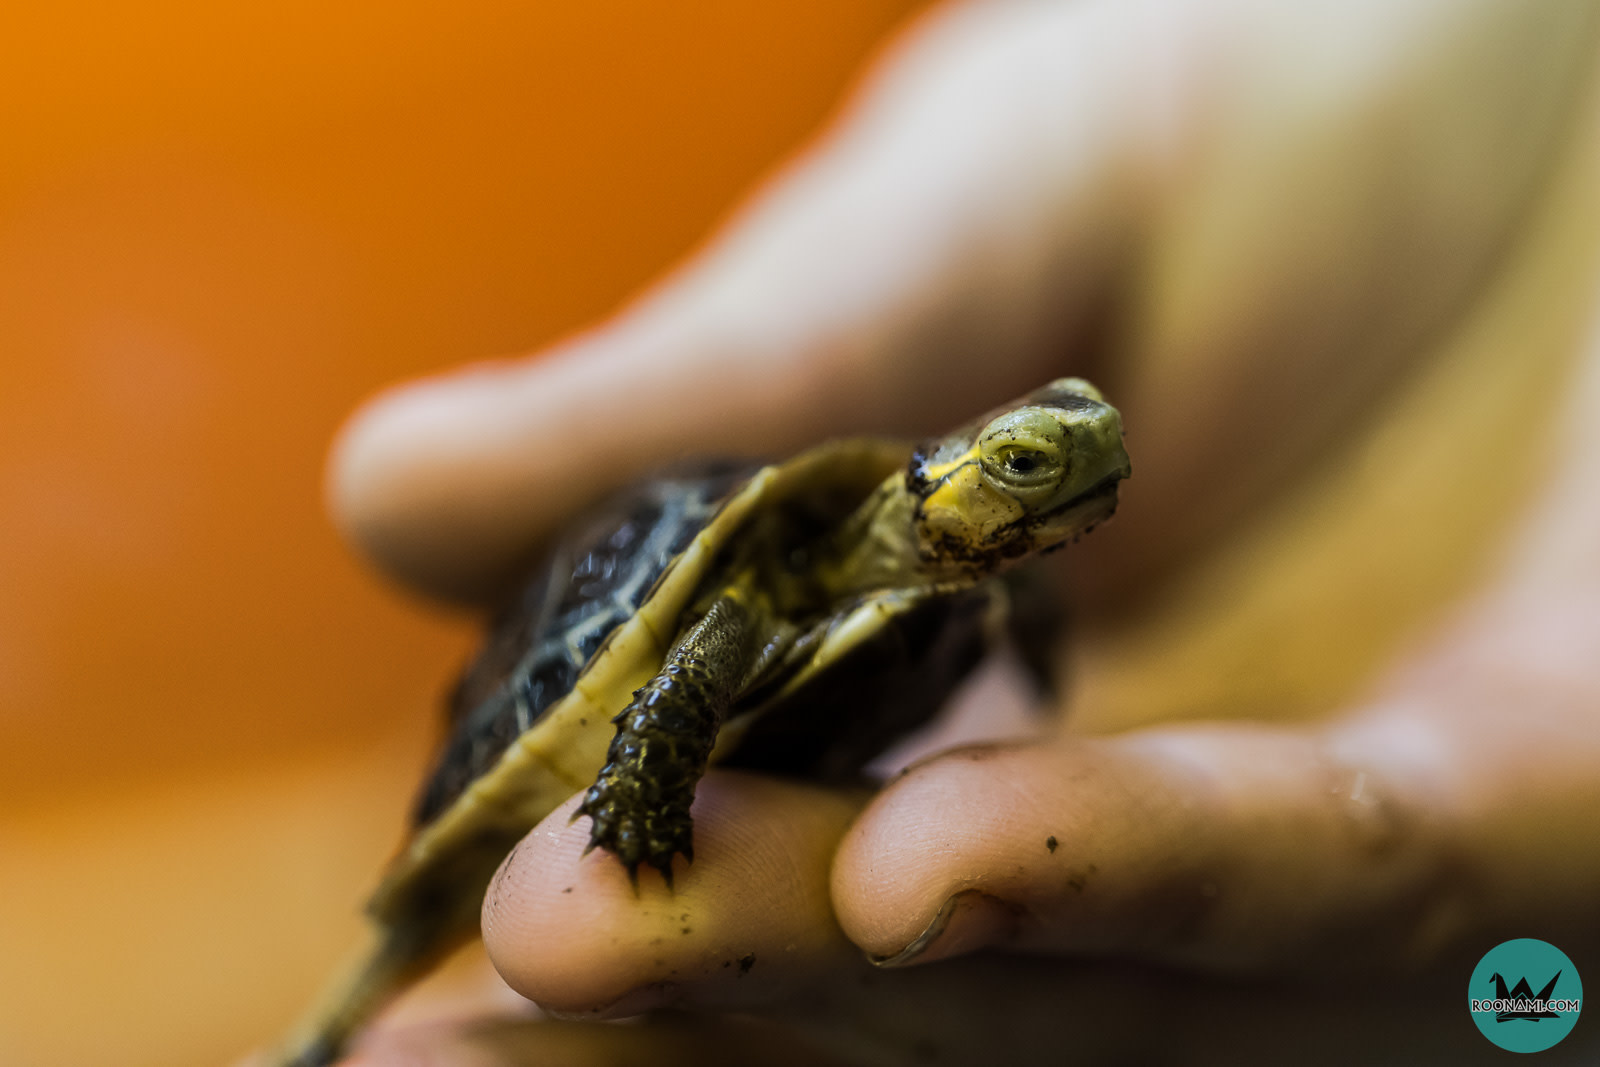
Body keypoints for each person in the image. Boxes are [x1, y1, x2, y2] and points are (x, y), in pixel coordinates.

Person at [323, 0, 1600, 1061]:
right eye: (1027, 465)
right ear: (939, 492)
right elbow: (689, 665)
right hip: (598, 733)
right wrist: (649, 793)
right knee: (406, 955)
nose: (1068, 479)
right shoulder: (768, 578)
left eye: (1077, 458)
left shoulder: (972, 586)